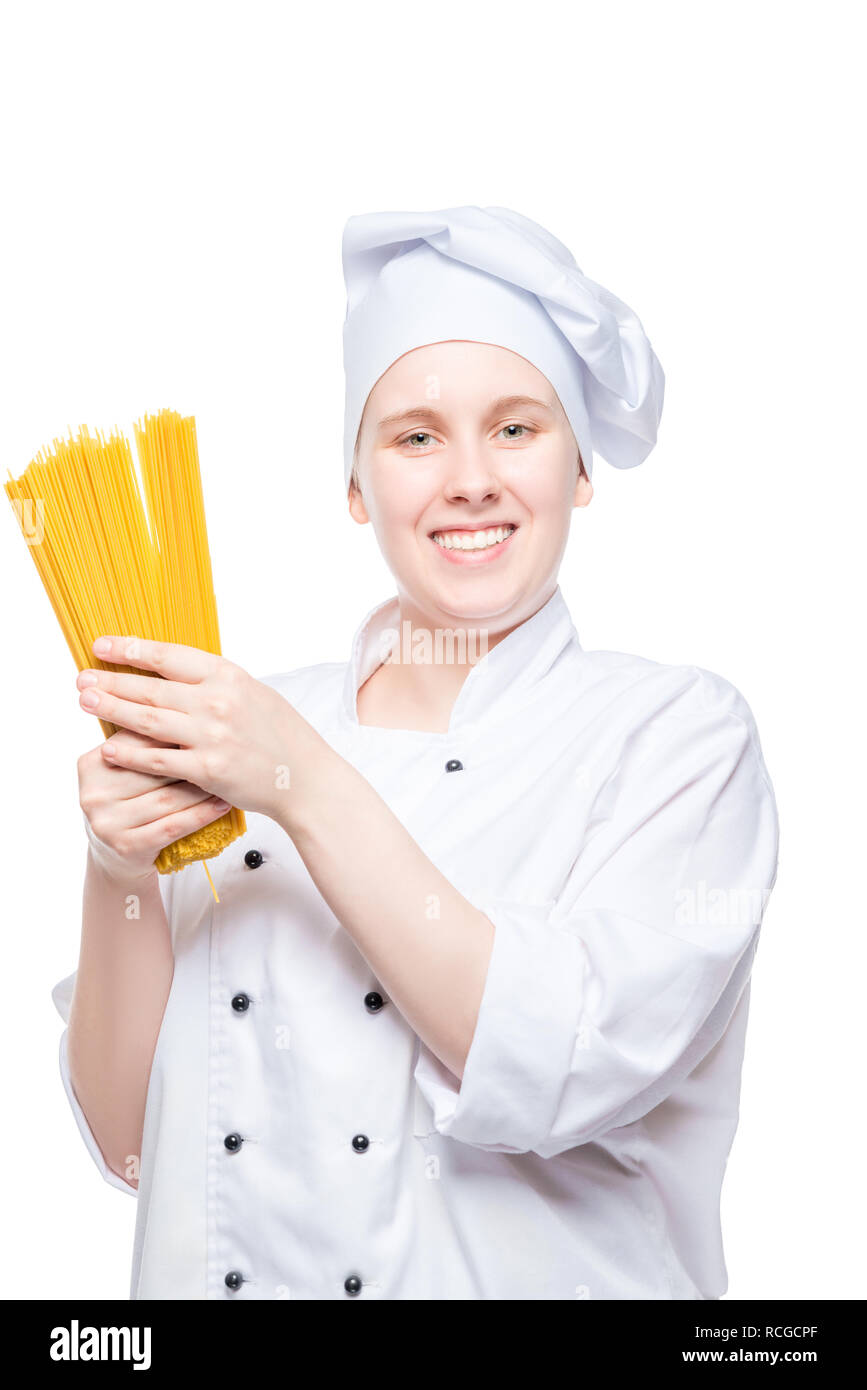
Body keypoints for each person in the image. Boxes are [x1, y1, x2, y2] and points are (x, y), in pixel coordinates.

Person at [54, 205, 779, 1300]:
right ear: (357, 486)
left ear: (581, 468)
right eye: (415, 435)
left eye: (518, 427)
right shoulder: (241, 722)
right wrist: (117, 871)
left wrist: (294, 778)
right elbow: (128, 1143)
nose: (471, 478)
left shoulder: (676, 736)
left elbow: (559, 1062)